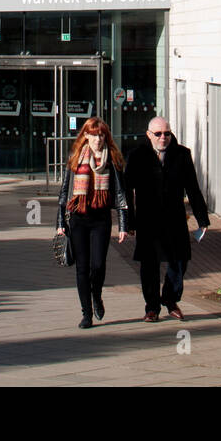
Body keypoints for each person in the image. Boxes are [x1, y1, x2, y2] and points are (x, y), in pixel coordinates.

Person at [123, 117, 209, 322]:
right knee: (149, 264)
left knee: (179, 261)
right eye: (158, 134)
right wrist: (129, 222)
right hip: (148, 219)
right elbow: (127, 190)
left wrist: (202, 218)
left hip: (175, 218)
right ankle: (152, 307)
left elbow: (193, 188)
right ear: (148, 134)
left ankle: (170, 299)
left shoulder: (182, 154)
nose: (163, 138)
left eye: (167, 133)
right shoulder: (137, 155)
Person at [56, 117, 130, 329]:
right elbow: (64, 192)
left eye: (101, 135)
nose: (98, 139)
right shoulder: (76, 157)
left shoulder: (113, 159)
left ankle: (96, 295)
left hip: (101, 219)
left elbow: (121, 194)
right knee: (82, 267)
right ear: (85, 136)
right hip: (78, 218)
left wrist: (124, 224)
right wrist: (61, 221)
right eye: (93, 134)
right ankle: (86, 313)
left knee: (98, 265)